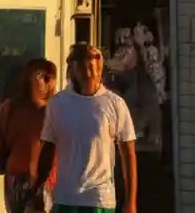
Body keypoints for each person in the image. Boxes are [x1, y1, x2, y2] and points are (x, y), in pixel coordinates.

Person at [29, 43, 137, 213]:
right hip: (66, 198)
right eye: (84, 60)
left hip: (99, 199)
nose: (90, 65)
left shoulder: (115, 104)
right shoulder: (58, 104)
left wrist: (131, 203)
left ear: (101, 66)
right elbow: (48, 149)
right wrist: (37, 189)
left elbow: (128, 154)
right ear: (73, 68)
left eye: (95, 58)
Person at [0, 58, 58, 212]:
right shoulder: (9, 109)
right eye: (44, 77)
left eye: (51, 79)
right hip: (20, 177)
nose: (49, 84)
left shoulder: (54, 111)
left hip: (46, 180)